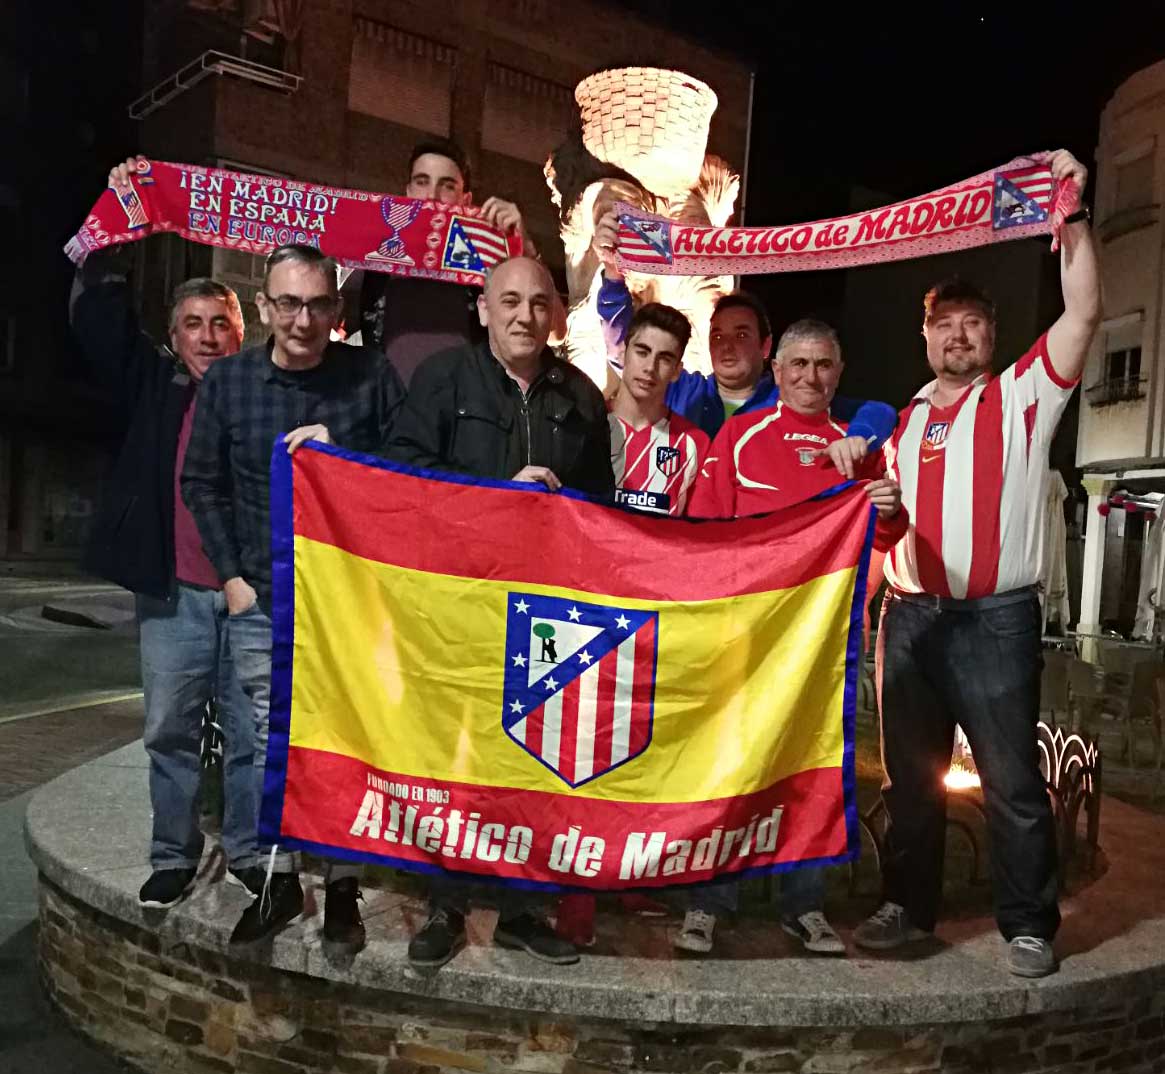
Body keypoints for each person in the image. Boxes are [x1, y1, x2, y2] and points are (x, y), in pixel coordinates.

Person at [852, 149, 1100, 979]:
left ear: (990, 335)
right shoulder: (903, 422)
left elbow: (1085, 309)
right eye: (943, 323)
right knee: (910, 783)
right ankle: (906, 907)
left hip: (995, 620)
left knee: (1009, 782)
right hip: (911, 618)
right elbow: (888, 533)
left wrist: (1069, 215)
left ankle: (1027, 924)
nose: (957, 334)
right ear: (924, 336)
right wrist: (880, 513)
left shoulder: (1026, 393)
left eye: (972, 322)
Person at [389, 255, 613, 969]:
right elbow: (404, 474)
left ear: (555, 314)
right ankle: (445, 905)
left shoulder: (579, 395)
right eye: (508, 301)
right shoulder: (443, 378)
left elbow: (598, 508)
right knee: (455, 758)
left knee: (529, 758)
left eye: (537, 303)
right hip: (459, 601)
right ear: (482, 309)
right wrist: (495, 491)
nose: (523, 315)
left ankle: (520, 908)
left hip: (543, 613)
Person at [181, 243, 405, 950]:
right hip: (263, 597)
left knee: (339, 742)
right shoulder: (231, 383)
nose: (301, 319)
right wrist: (232, 579)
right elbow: (200, 483)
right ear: (265, 307)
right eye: (287, 303)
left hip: (346, 601)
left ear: (336, 310)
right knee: (260, 744)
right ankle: (272, 882)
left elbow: (409, 472)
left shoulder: (369, 377)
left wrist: (342, 452)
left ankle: (339, 890)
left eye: (316, 304)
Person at [683, 318, 906, 955]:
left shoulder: (860, 447)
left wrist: (889, 512)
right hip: (745, 642)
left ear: (839, 372)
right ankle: (708, 902)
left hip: (825, 646)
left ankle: (803, 907)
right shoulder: (740, 437)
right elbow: (703, 534)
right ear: (776, 370)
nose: (811, 378)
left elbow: (883, 542)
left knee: (811, 774)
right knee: (727, 767)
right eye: (799, 365)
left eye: (824, 366)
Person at [70, 158, 258, 910]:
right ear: (175, 336)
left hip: (253, 599)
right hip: (175, 594)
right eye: (193, 325)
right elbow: (96, 322)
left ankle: (245, 852)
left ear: (240, 332)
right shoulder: (156, 383)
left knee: (252, 736)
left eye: (221, 324)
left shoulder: (263, 391)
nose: (208, 336)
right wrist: (116, 220)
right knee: (169, 734)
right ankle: (172, 856)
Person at [591, 209, 898, 458]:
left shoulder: (791, 398)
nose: (726, 346)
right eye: (718, 336)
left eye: (741, 336)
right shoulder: (681, 389)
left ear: (766, 348)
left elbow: (879, 411)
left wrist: (858, 439)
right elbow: (621, 346)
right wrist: (613, 274)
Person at [349, 137, 534, 387]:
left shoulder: (489, 263)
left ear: (465, 200)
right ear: (408, 192)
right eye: (422, 181)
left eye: (446, 186)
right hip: (392, 416)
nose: (432, 196)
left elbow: (555, 331)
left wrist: (523, 245)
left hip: (467, 414)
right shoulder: (375, 258)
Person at [608, 302, 710, 516]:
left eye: (664, 359)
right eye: (642, 352)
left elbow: (699, 535)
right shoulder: (587, 428)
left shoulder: (694, 443)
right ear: (622, 354)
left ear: (676, 371)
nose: (650, 368)